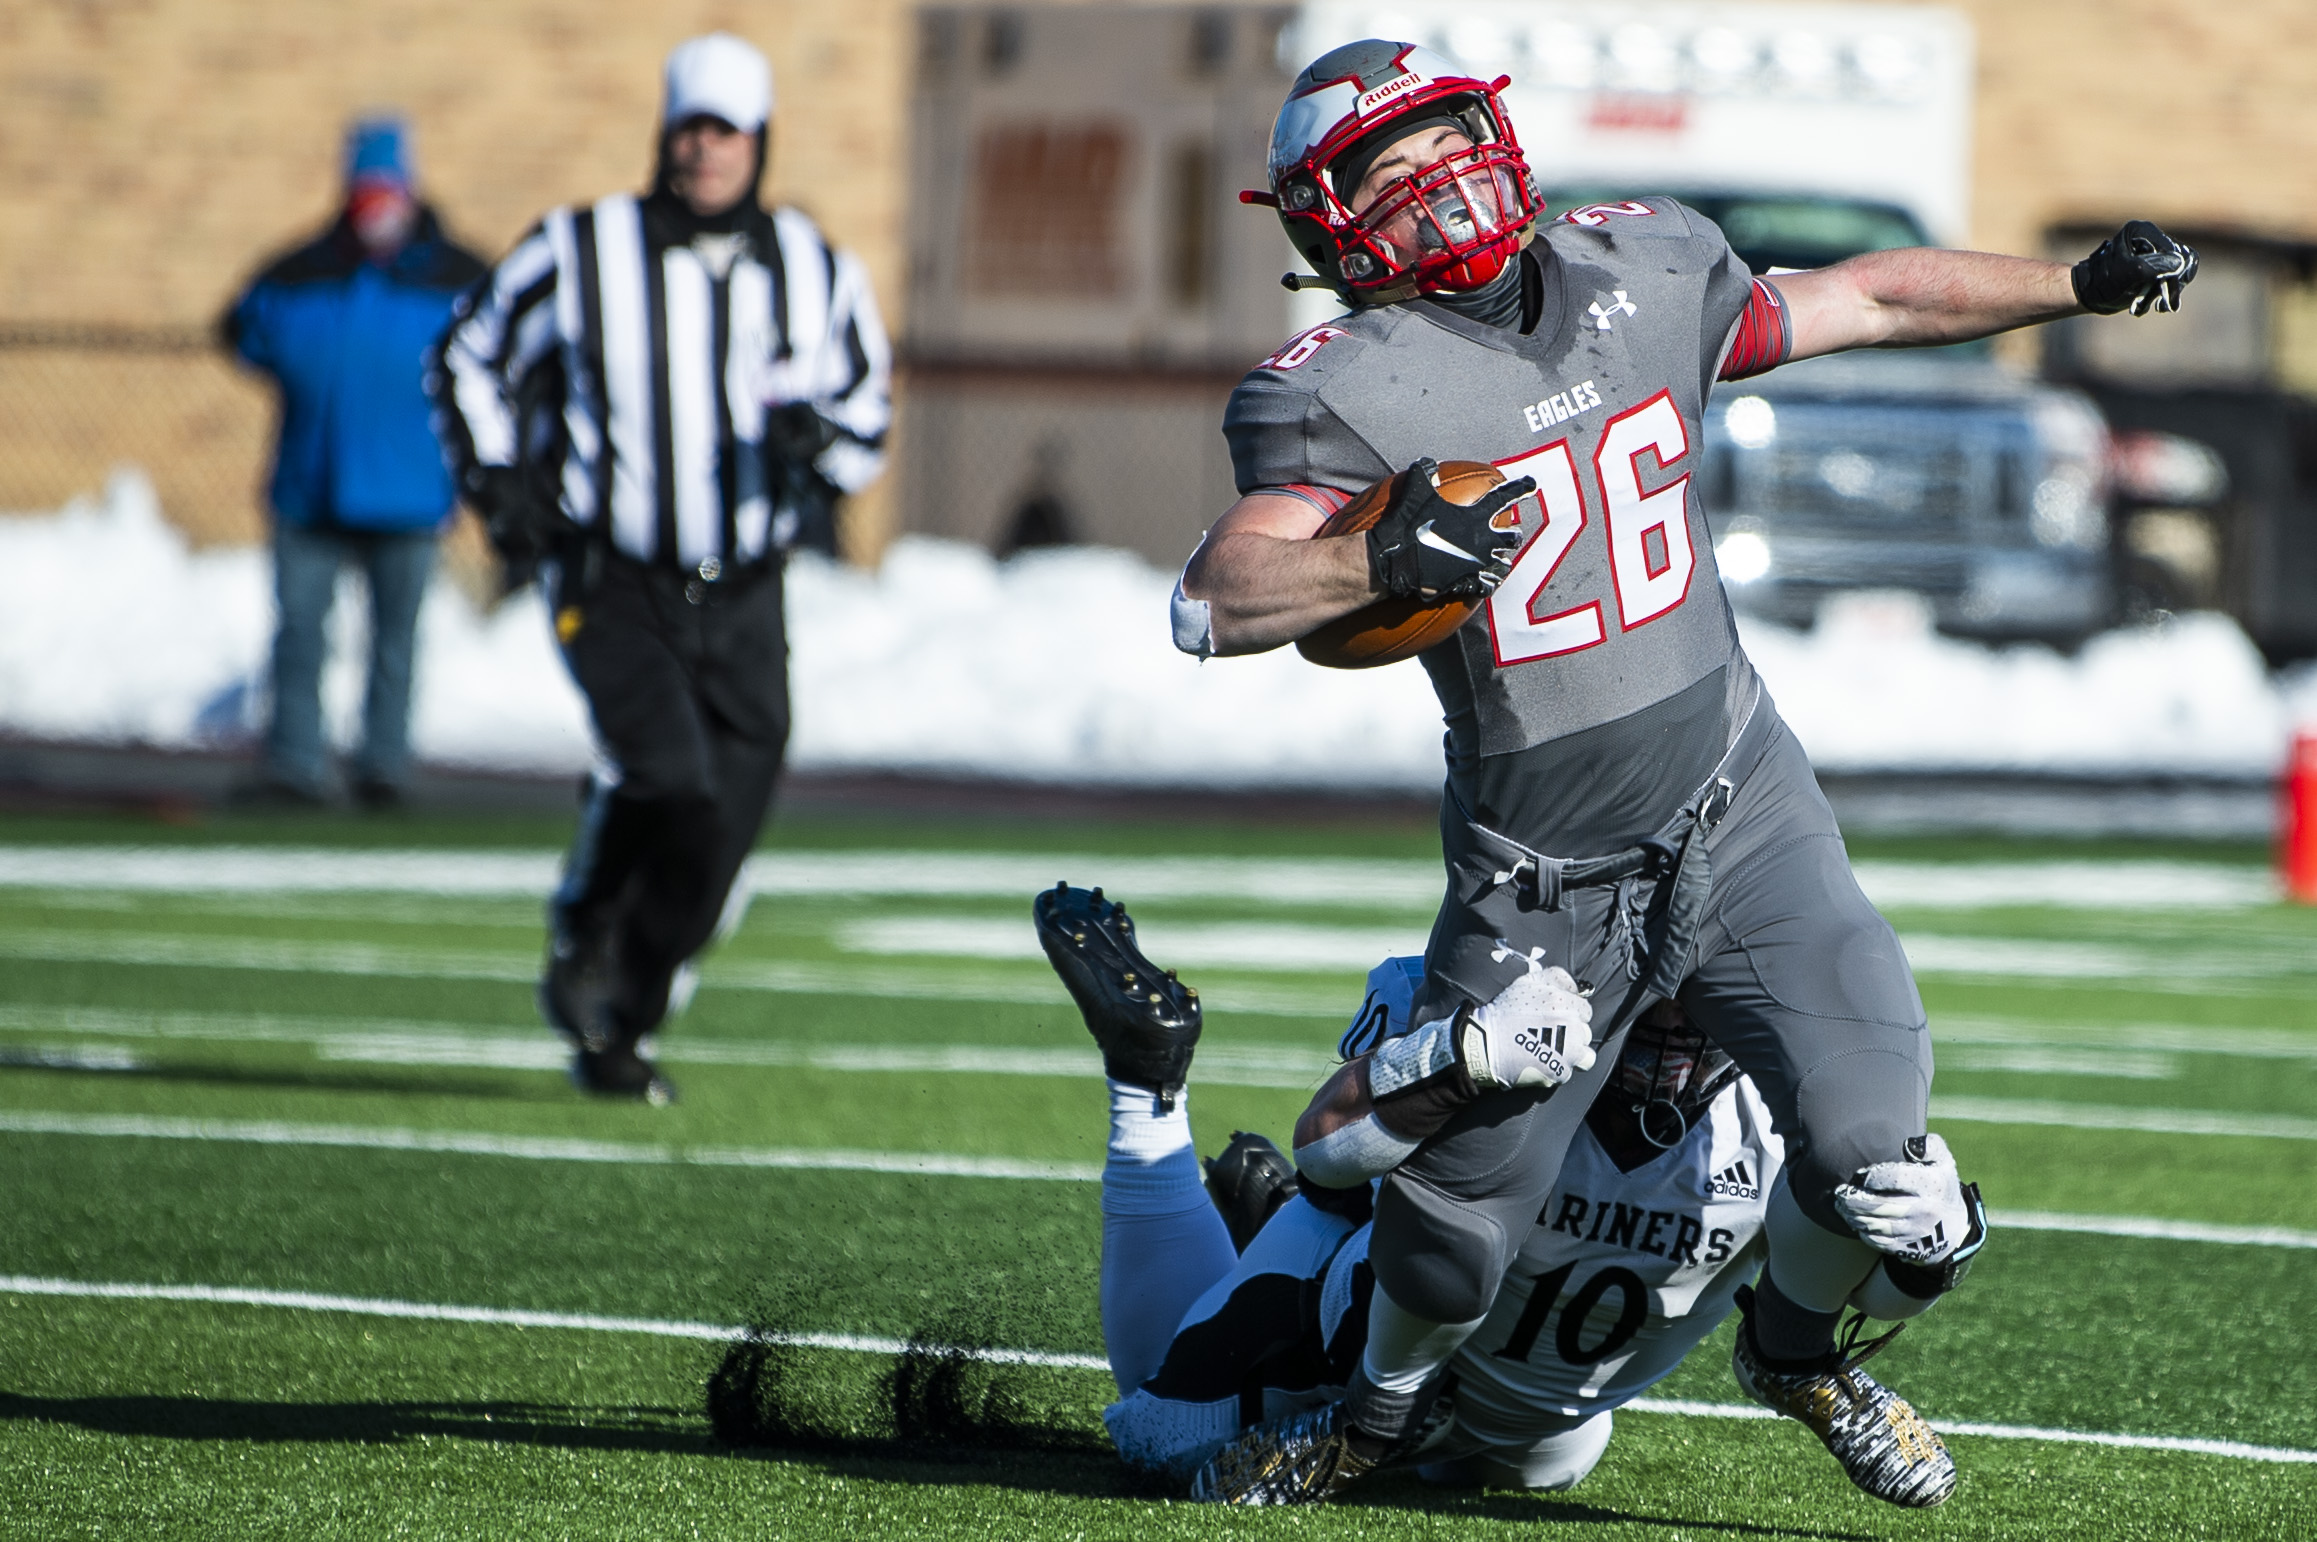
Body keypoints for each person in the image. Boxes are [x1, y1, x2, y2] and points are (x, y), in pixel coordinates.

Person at [1170, 41, 2172, 1505]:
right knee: (1451, 1233)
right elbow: (1212, 597)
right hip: (1545, 874)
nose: (1435, 183)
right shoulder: (1342, 385)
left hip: (1737, 800)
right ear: (1329, 224)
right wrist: (1366, 559)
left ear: (1498, 136)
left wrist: (2072, 284)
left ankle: (1795, 1353)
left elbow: (1873, 297)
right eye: (1389, 170)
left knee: (1876, 1150)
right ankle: (1371, 1417)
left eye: (1444, 141)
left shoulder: (1640, 265)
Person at [1033, 884, 1977, 1497]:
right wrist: (1462, 1056)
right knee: (1156, 1439)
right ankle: (1149, 1087)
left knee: (1550, 1466)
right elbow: (1324, 1150)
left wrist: (1932, 1249)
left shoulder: (1791, 1100)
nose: (1668, 1042)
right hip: (1368, 1319)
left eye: (1697, 1014)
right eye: (1651, 1011)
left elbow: (1869, 1283)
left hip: (1555, 1409)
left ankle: (1796, 1364)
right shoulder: (1516, 1006)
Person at [430, 34, 892, 1103]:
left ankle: (620, 1023)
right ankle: (587, 917)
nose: (705, 150)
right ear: (663, 133)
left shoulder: (812, 267)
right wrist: (497, 480)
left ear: (759, 141)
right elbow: (465, 353)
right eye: (690, 128)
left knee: (725, 824)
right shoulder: (582, 248)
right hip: (616, 575)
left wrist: (819, 444)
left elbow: (867, 412)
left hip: (746, 586)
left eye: (725, 131)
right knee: (670, 774)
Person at [223, 116, 487, 809]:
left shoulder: (453, 276)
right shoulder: (306, 269)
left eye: (386, 193)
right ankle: (294, 764)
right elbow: (246, 329)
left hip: (409, 488)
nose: (376, 210)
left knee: (394, 638)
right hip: (311, 484)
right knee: (300, 632)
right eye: (365, 194)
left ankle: (383, 767)